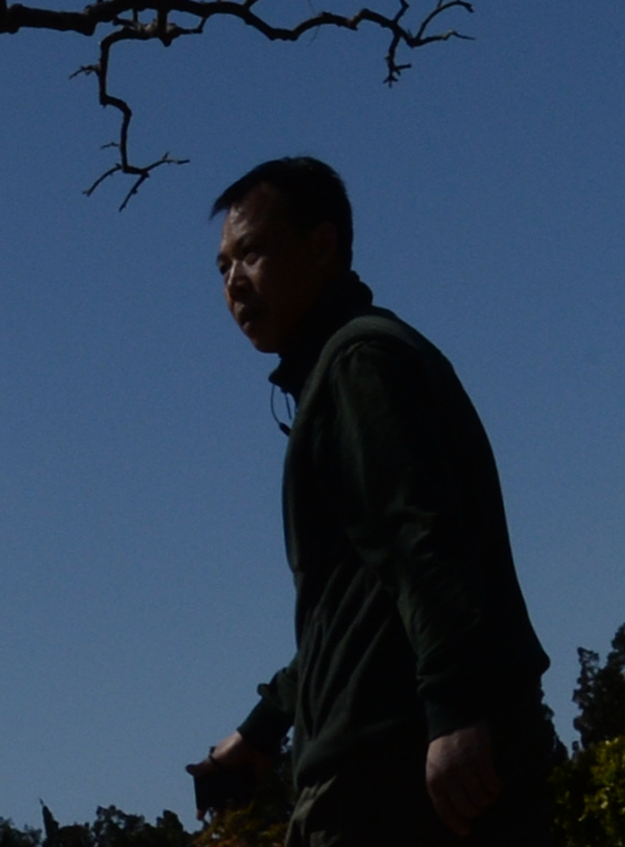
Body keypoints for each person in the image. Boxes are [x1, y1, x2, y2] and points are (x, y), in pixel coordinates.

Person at [187, 156, 555, 847]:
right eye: (222, 266)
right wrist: (263, 729)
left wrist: (454, 711)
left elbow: (421, 542)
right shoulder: (345, 369)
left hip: (397, 782)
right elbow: (356, 605)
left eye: (253, 253)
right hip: (379, 773)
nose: (233, 283)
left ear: (322, 245)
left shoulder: (360, 364)